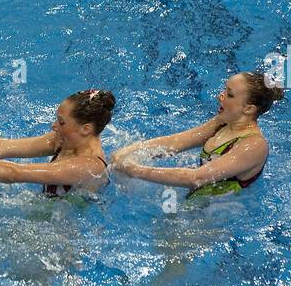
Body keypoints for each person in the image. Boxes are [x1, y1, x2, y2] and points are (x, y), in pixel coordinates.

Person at [112, 72, 281, 198]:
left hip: (218, 217)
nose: (220, 96)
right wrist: (130, 151)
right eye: (224, 89)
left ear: (249, 109)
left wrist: (134, 169)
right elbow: (176, 142)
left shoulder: (254, 146)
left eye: (229, 94)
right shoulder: (222, 123)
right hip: (198, 204)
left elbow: (196, 178)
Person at [0, 89, 114, 195]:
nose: (53, 126)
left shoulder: (88, 167)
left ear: (86, 129)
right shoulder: (64, 141)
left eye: (61, 121)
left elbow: (14, 173)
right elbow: (2, 147)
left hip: (60, 240)